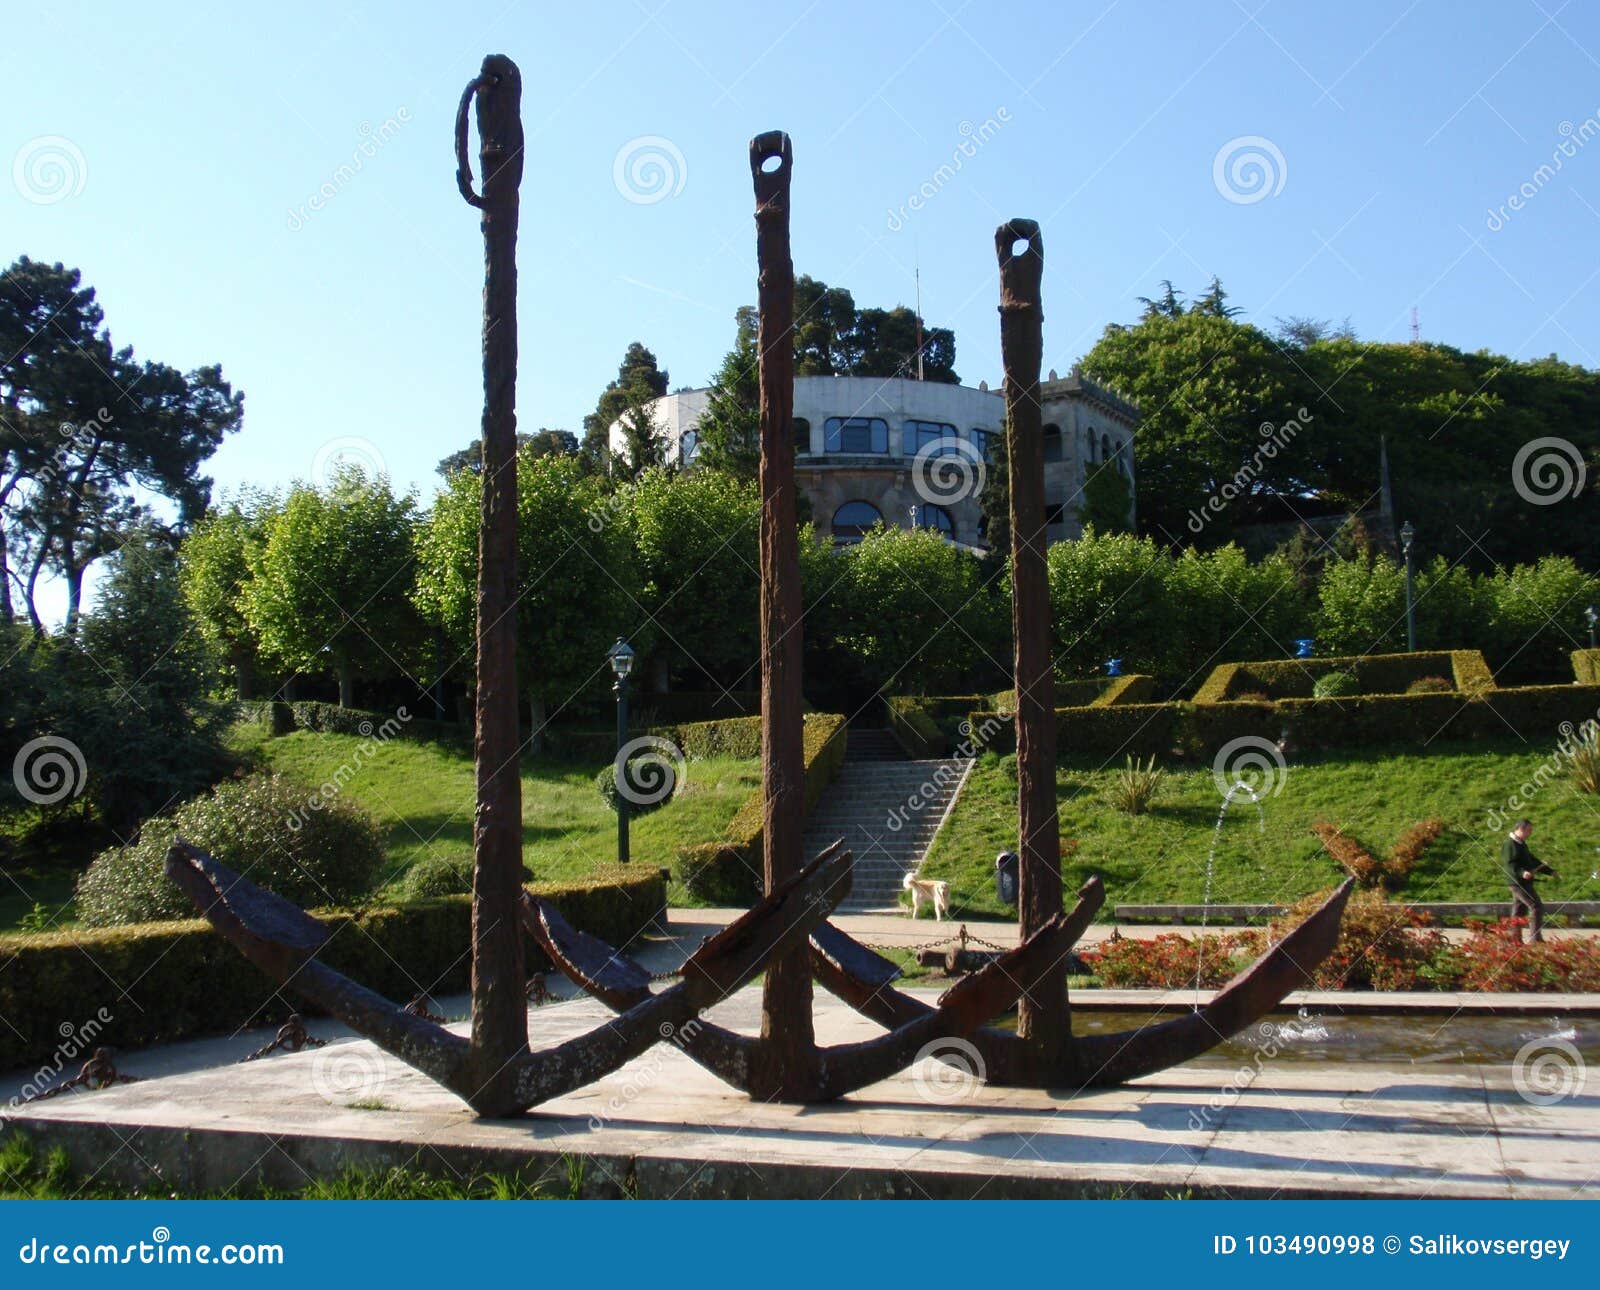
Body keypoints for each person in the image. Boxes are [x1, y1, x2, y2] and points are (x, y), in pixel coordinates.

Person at [1501, 819, 1558, 943]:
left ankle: (1515, 940)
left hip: (1523, 882)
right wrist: (1522, 873)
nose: (1530, 833)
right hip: (1518, 883)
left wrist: (1549, 871)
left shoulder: (1521, 844)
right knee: (1536, 906)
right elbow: (1510, 864)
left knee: (1519, 910)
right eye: (1529, 830)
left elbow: (1532, 860)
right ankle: (1535, 939)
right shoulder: (1510, 844)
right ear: (1520, 829)